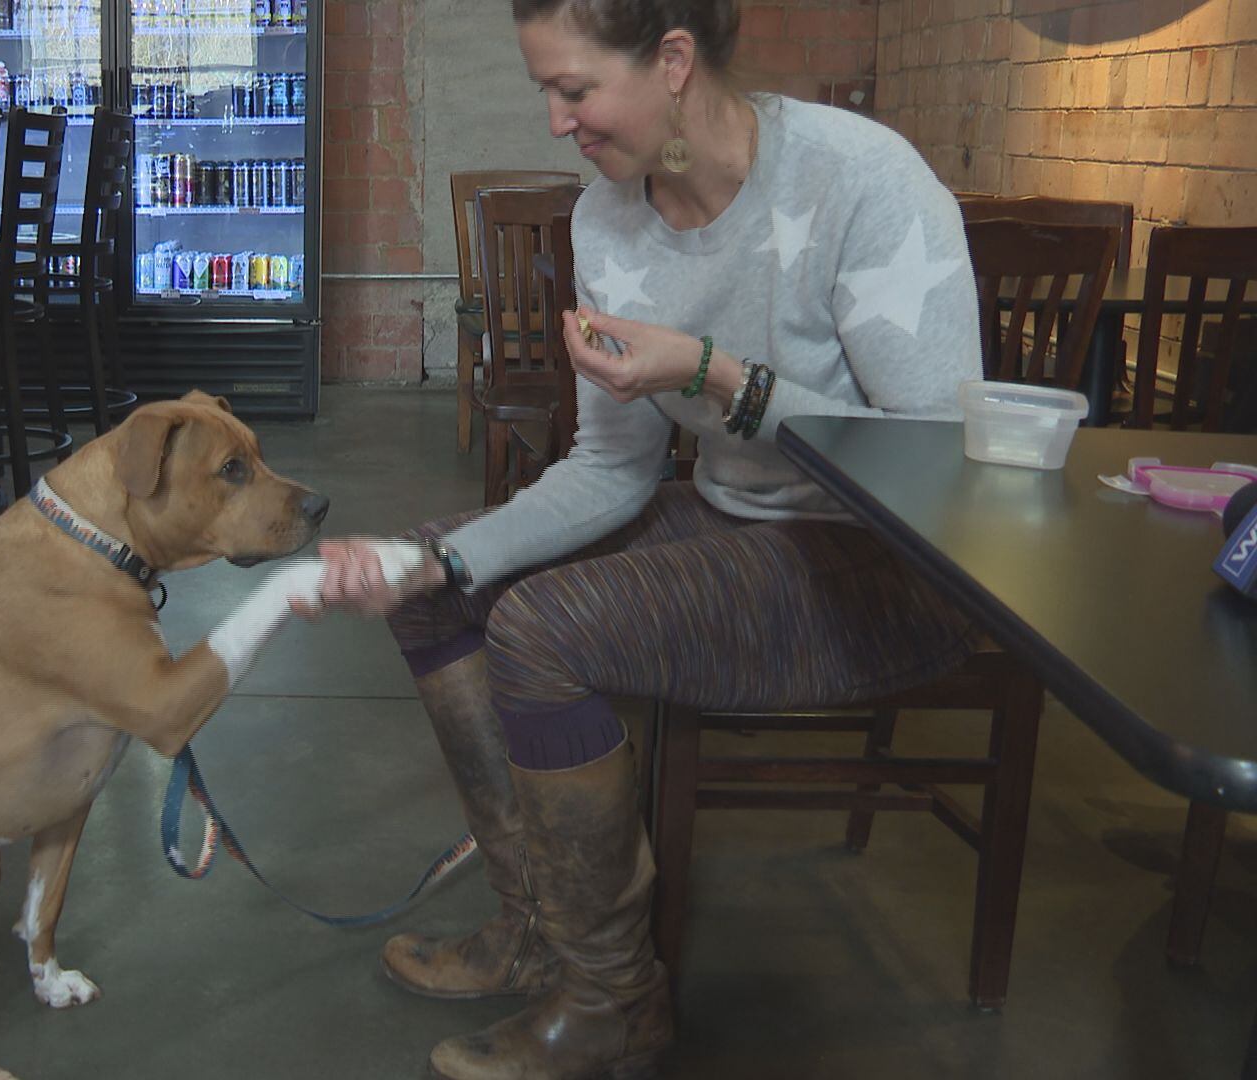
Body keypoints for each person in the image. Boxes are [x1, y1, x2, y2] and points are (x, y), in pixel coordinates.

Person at [299, 0, 983, 1076]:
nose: (559, 124)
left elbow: (938, 465)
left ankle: (612, 999)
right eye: (546, 95)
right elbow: (613, 469)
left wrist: (719, 376)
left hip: (889, 561)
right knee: (438, 582)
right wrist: (442, 560)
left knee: (541, 627)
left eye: (575, 91)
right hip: (734, 523)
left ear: (671, 63)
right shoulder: (609, 221)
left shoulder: (863, 180)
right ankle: (540, 933)